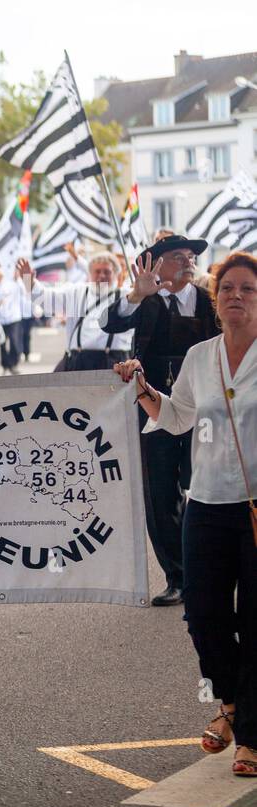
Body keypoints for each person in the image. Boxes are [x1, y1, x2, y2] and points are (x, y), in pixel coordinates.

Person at [113, 250, 257, 777]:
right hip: (206, 505)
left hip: (256, 509)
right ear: (216, 302)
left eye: (247, 289)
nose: (236, 296)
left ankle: (250, 737)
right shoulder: (201, 357)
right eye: (228, 290)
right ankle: (231, 702)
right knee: (203, 617)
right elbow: (175, 420)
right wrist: (144, 390)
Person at [98, 235, 220, 607]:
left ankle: (214, 570)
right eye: (177, 256)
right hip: (153, 405)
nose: (187, 261)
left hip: (205, 405)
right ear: (154, 266)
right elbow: (107, 323)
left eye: (190, 256)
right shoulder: (144, 300)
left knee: (205, 485)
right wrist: (135, 294)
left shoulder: (208, 299)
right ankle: (179, 577)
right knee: (160, 492)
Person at [18, 251, 130, 372]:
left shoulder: (126, 296)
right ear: (90, 273)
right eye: (97, 271)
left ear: (115, 274)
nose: (102, 276)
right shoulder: (76, 292)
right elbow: (46, 299)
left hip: (113, 364)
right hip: (78, 363)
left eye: (107, 272)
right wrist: (29, 282)